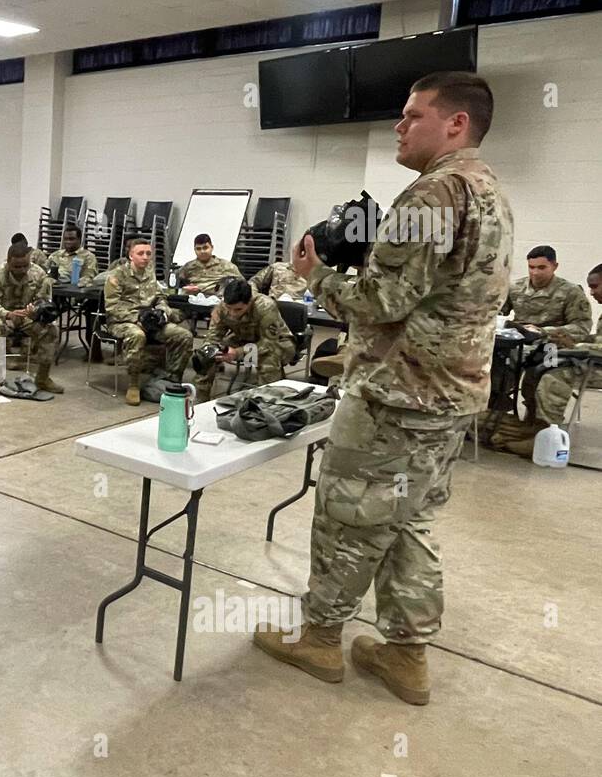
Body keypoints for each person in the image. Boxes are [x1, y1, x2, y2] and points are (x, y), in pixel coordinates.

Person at [254, 71, 512, 707]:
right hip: (452, 398)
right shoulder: (490, 193)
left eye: (412, 115)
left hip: (398, 398)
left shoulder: (431, 195)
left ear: (456, 123)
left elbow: (381, 302)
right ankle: (406, 653)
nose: (399, 127)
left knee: (349, 517)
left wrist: (312, 275)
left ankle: (319, 639)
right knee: (411, 522)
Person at [503, 262, 602, 454]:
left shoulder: (569, 291)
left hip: (595, 365)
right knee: (538, 366)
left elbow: (586, 332)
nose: (591, 292)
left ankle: (547, 432)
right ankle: (532, 423)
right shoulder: (517, 287)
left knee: (554, 375)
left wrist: (577, 346)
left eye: (595, 286)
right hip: (584, 356)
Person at [498, 245, 593, 425]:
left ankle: (537, 420)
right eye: (531, 267)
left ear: (555, 266)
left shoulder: (570, 292)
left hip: (552, 344)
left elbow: (582, 327)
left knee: (543, 370)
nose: (535, 273)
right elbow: (497, 314)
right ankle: (494, 415)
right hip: (520, 342)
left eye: (542, 268)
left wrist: (544, 331)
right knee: (496, 363)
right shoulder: (515, 287)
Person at [103, 236, 193, 406]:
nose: (145, 257)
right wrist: (136, 319)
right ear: (131, 256)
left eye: (148, 253)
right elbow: (112, 308)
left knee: (183, 335)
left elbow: (159, 296)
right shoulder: (117, 276)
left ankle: (171, 379)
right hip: (123, 321)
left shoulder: (149, 272)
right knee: (137, 335)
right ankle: (134, 384)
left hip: (150, 320)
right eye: (140, 253)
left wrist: (162, 311)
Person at [0, 241, 63, 395]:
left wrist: (36, 311)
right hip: (3, 315)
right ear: (8, 262)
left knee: (51, 329)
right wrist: (7, 314)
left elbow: (44, 301)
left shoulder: (39, 274)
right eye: (17, 267)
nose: (22, 270)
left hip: (27, 317)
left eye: (25, 265)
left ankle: (43, 378)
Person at [192, 278, 295, 400]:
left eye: (238, 309)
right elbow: (213, 336)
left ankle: (270, 401)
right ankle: (200, 402)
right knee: (207, 355)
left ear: (250, 301)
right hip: (243, 339)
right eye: (229, 308)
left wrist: (237, 353)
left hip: (277, 342)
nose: (232, 313)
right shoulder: (222, 308)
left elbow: (269, 343)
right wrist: (210, 350)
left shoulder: (265, 306)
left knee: (267, 360)